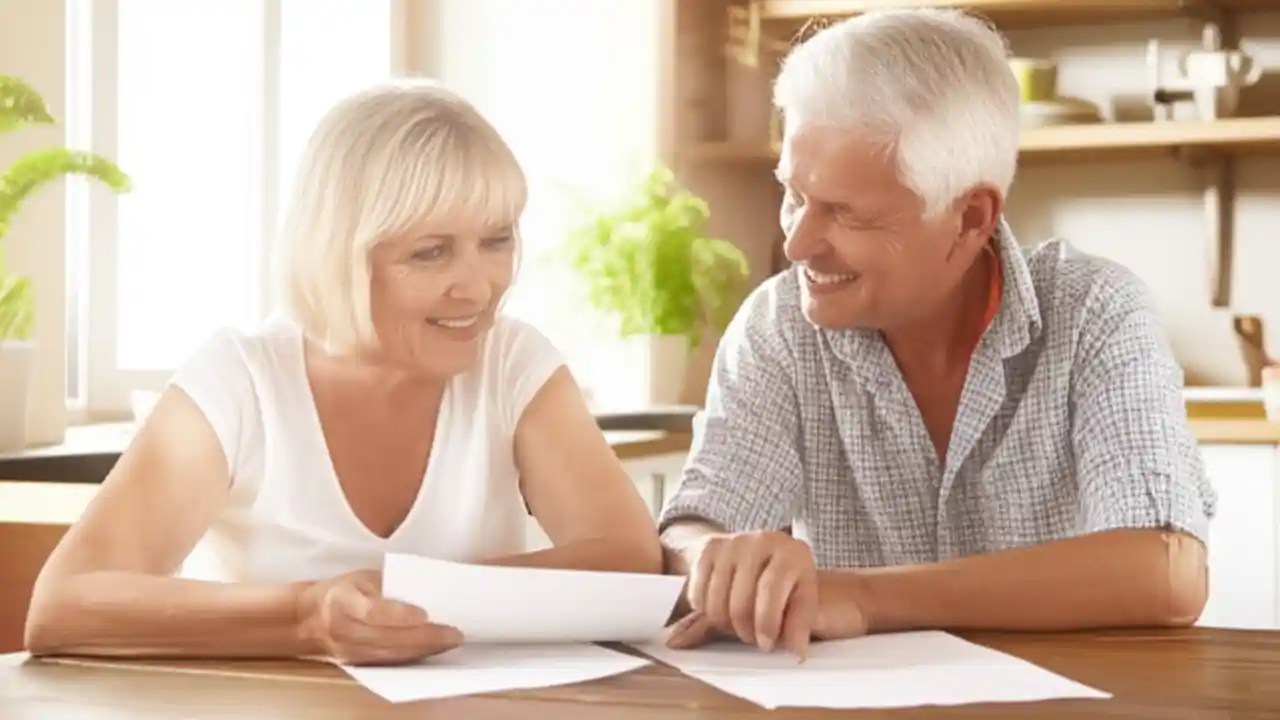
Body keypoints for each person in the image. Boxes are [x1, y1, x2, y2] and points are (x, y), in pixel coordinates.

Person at [25, 82, 662, 666]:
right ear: (339, 254)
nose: (478, 286)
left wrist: (428, 596)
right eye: (430, 252)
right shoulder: (239, 381)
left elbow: (629, 560)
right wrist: (306, 616)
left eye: (496, 241)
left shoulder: (513, 363)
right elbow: (63, 607)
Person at [658, 9, 1216, 658]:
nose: (796, 242)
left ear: (970, 217)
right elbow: (689, 533)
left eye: (844, 212)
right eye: (791, 194)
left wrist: (865, 597)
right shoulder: (778, 326)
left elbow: (1168, 574)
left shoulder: (1094, 310)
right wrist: (713, 558)